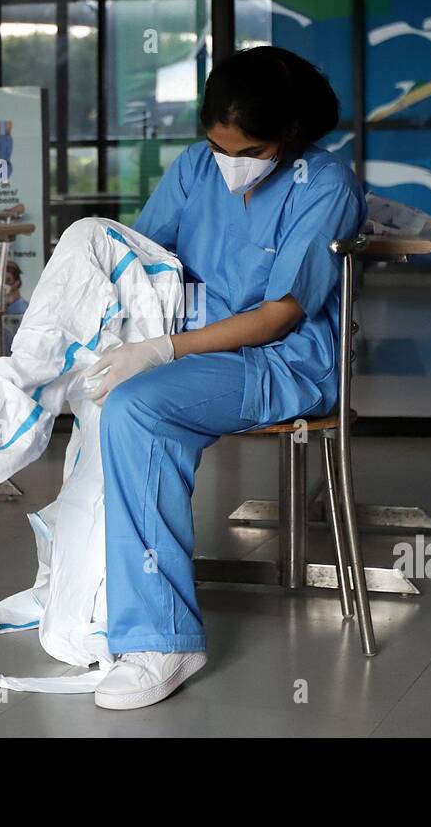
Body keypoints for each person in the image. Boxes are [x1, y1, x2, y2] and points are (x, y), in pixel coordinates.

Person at [84, 46, 365, 710]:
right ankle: (96, 595)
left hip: (284, 362)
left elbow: (277, 315)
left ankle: (162, 638)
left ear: (290, 135)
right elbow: (140, 259)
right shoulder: (193, 170)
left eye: (251, 149)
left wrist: (161, 352)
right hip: (196, 354)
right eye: (216, 145)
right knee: (101, 398)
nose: (229, 164)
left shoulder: (325, 186)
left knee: (137, 410)